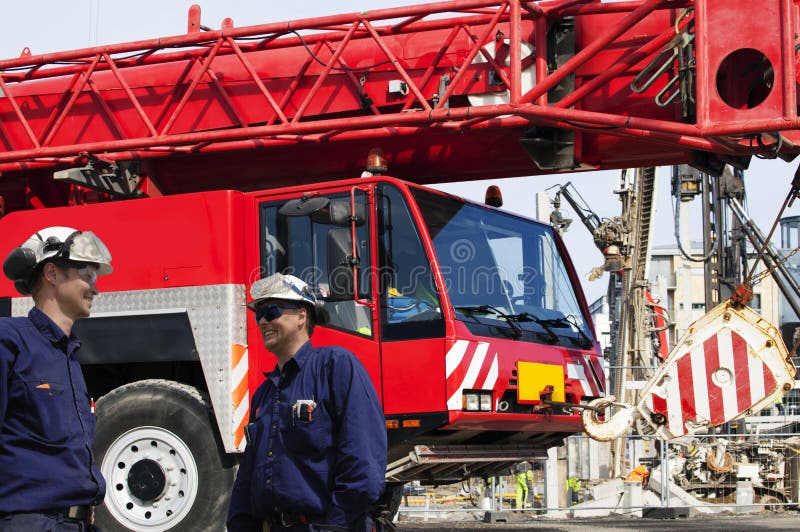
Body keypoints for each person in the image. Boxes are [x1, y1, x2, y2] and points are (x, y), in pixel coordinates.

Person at [227, 273, 387, 532]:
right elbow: (247, 478)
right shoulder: (264, 395)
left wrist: (334, 526)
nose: (263, 321)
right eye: (259, 315)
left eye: (272, 311)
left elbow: (362, 463)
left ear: (302, 316)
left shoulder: (335, 366)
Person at [0, 226, 113, 531]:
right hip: (30, 521)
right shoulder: (9, 340)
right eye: (87, 275)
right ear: (52, 273)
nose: (95, 288)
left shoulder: (68, 356)